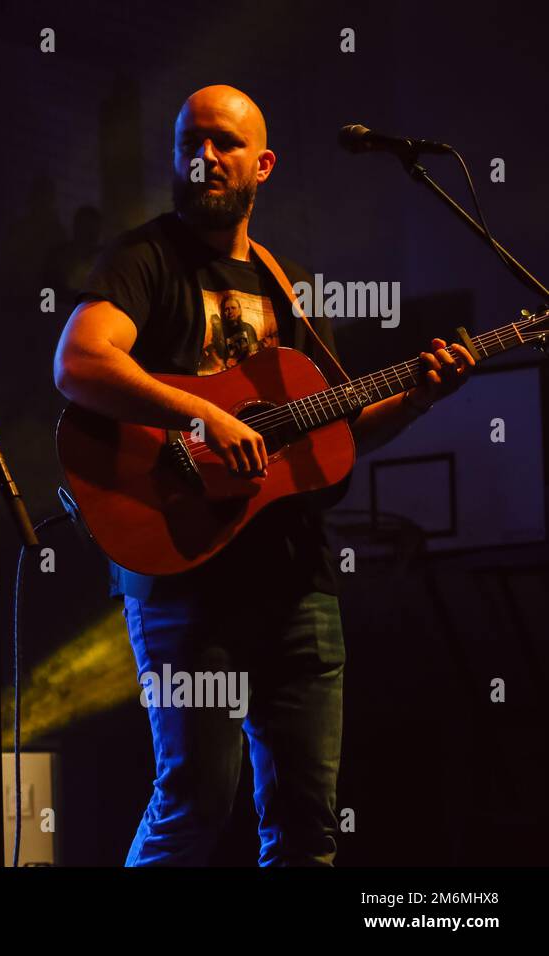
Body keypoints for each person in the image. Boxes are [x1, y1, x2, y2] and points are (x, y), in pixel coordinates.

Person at [53, 85, 472, 865]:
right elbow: (78, 363)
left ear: (264, 164)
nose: (201, 157)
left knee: (308, 824)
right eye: (188, 142)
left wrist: (420, 398)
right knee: (193, 810)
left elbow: (334, 434)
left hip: (296, 579)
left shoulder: (290, 285)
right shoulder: (145, 259)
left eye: (221, 143)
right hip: (185, 578)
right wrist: (201, 415)